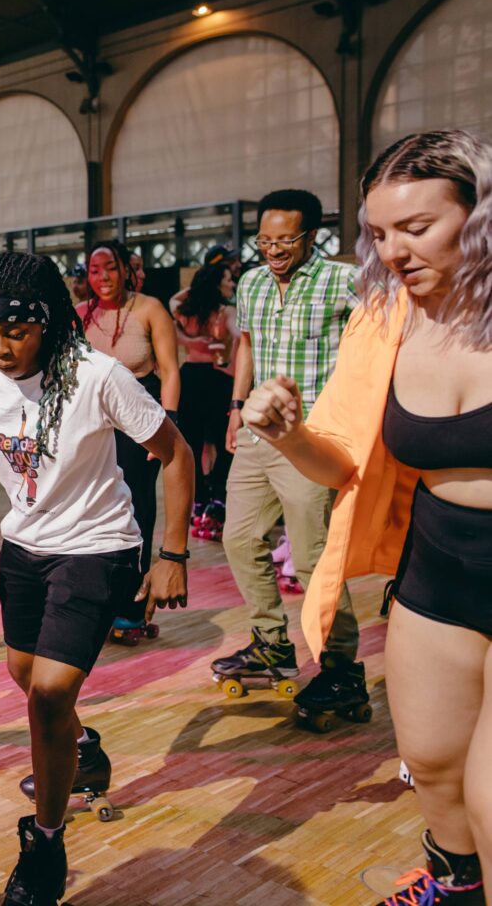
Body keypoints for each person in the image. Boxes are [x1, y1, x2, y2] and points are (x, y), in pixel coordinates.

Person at [0, 252, 193, 906]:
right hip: (23, 547)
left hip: (98, 548)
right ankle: (83, 747)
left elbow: (176, 452)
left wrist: (174, 553)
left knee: (47, 694)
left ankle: (45, 845)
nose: (0, 349)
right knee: (24, 673)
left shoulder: (98, 376)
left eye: (15, 334)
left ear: (48, 323)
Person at [241, 131, 492, 904]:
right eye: (379, 234)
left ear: (480, 215)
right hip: (438, 568)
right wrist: (290, 434)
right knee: (434, 763)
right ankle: (451, 886)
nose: (392, 252)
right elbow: (341, 460)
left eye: (415, 228)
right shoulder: (385, 317)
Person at [212, 188, 363, 718]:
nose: (273, 250)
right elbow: (248, 344)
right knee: (239, 539)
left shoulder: (344, 281)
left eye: (285, 240)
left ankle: (342, 669)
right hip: (257, 434)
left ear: (311, 235)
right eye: (264, 241)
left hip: (312, 437)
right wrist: (236, 407)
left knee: (312, 557)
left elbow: (374, 345)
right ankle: (272, 642)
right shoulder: (252, 283)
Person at [77, 240, 181, 644]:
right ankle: (96, 601)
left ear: (125, 269)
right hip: (93, 420)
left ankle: (132, 607)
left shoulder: (150, 309)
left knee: (136, 508)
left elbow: (169, 371)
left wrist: (167, 428)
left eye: (110, 268)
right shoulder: (80, 315)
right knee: (91, 509)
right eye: (94, 270)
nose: (102, 277)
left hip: (139, 418)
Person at [172, 262, 238, 535]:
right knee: (224, 442)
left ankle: (199, 500)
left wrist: (188, 341)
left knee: (194, 443)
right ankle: (217, 499)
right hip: (217, 378)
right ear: (217, 284)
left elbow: (173, 300)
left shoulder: (187, 311)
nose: (232, 284)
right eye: (228, 279)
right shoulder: (225, 311)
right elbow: (237, 334)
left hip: (189, 377)